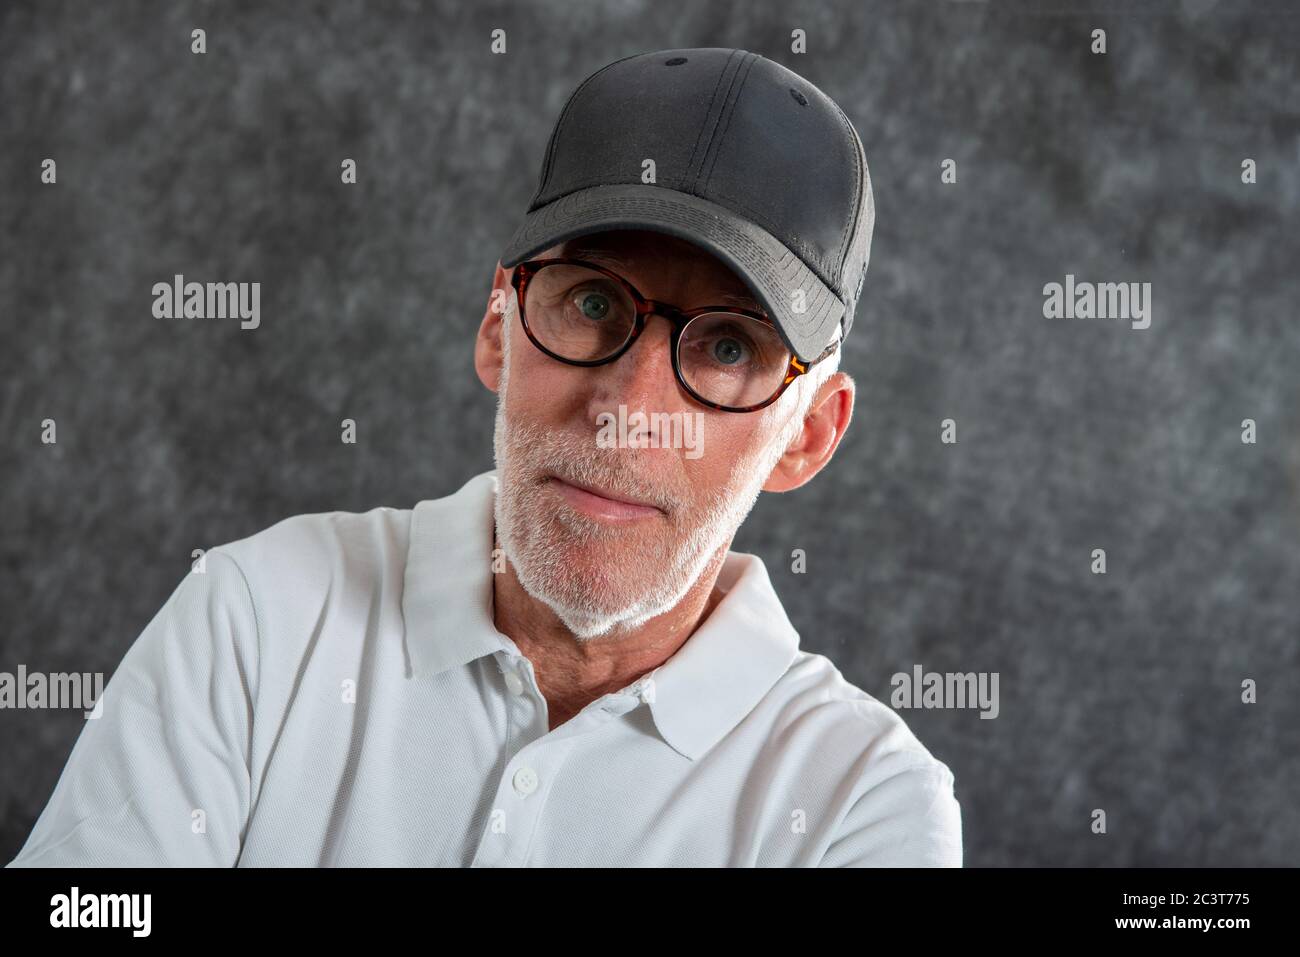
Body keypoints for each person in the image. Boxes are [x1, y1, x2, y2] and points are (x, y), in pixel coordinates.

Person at [8, 47, 961, 867]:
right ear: (500, 324)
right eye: (592, 305)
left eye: (725, 347)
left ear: (807, 433)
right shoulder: (257, 621)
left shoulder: (859, 807)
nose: (626, 411)